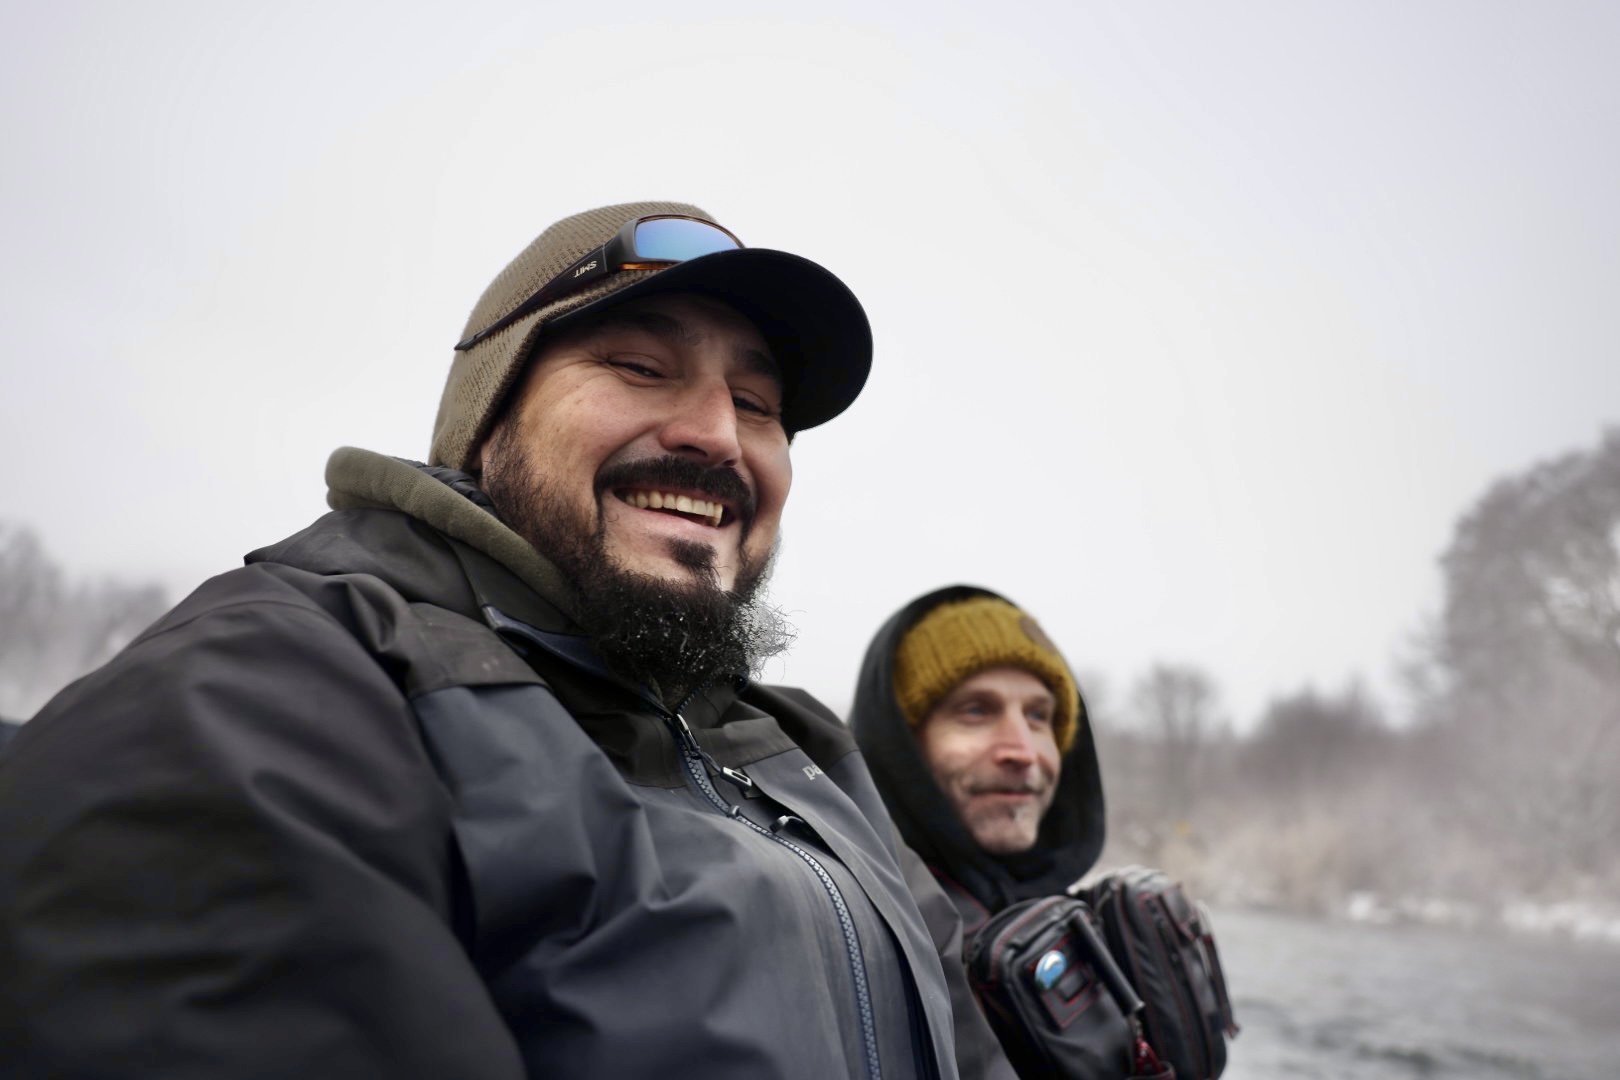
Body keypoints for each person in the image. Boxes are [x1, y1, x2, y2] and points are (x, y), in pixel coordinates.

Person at [0, 202, 1012, 1080]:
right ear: (485, 424)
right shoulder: (272, 685)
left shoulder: (809, 756)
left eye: (757, 405)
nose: (716, 433)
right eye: (640, 367)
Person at [848, 586, 1106, 937]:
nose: (1023, 752)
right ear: (897, 746)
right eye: (976, 710)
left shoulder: (1092, 933)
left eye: (1038, 715)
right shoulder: (842, 930)